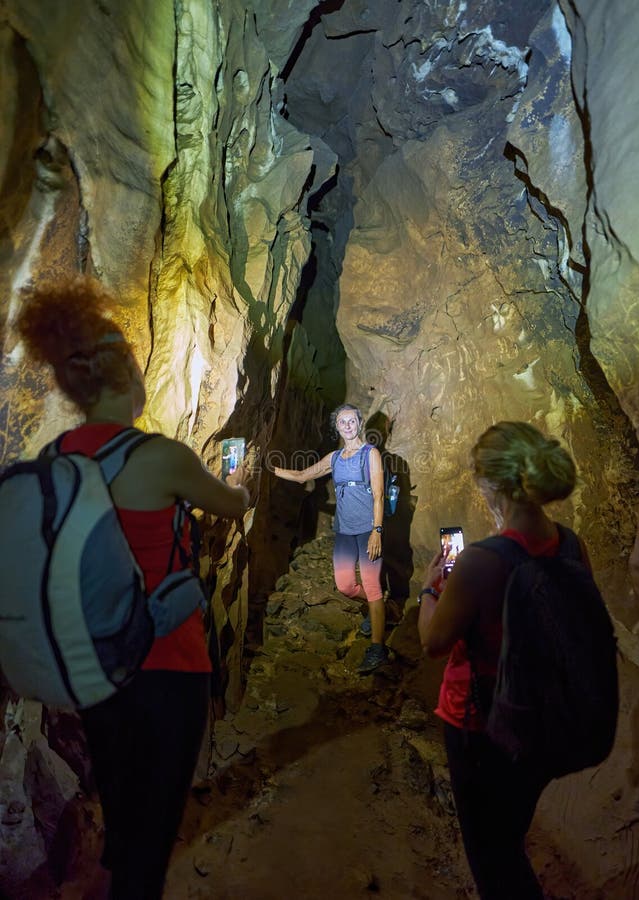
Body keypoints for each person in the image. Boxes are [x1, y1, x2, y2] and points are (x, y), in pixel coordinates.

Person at [15, 277, 252, 900]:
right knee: (153, 837)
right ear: (127, 380)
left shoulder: (57, 457)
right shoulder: (161, 457)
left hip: (95, 668)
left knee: (122, 805)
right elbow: (230, 506)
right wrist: (242, 479)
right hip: (168, 665)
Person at [417, 421, 584, 900]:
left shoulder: (481, 562)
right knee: (509, 838)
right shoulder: (572, 546)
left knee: (494, 864)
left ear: (490, 485)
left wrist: (432, 588)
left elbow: (433, 641)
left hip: (480, 726)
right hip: (543, 724)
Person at [272, 403, 388, 674]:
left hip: (368, 530)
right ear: (336, 427)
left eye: (352, 421)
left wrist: (377, 530)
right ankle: (380, 609)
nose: (347, 425)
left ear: (360, 423)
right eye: (342, 422)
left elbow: (379, 495)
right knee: (346, 586)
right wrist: (271, 470)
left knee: (372, 586)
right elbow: (302, 475)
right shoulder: (334, 459)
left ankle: (377, 648)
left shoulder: (371, 454)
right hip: (345, 531)